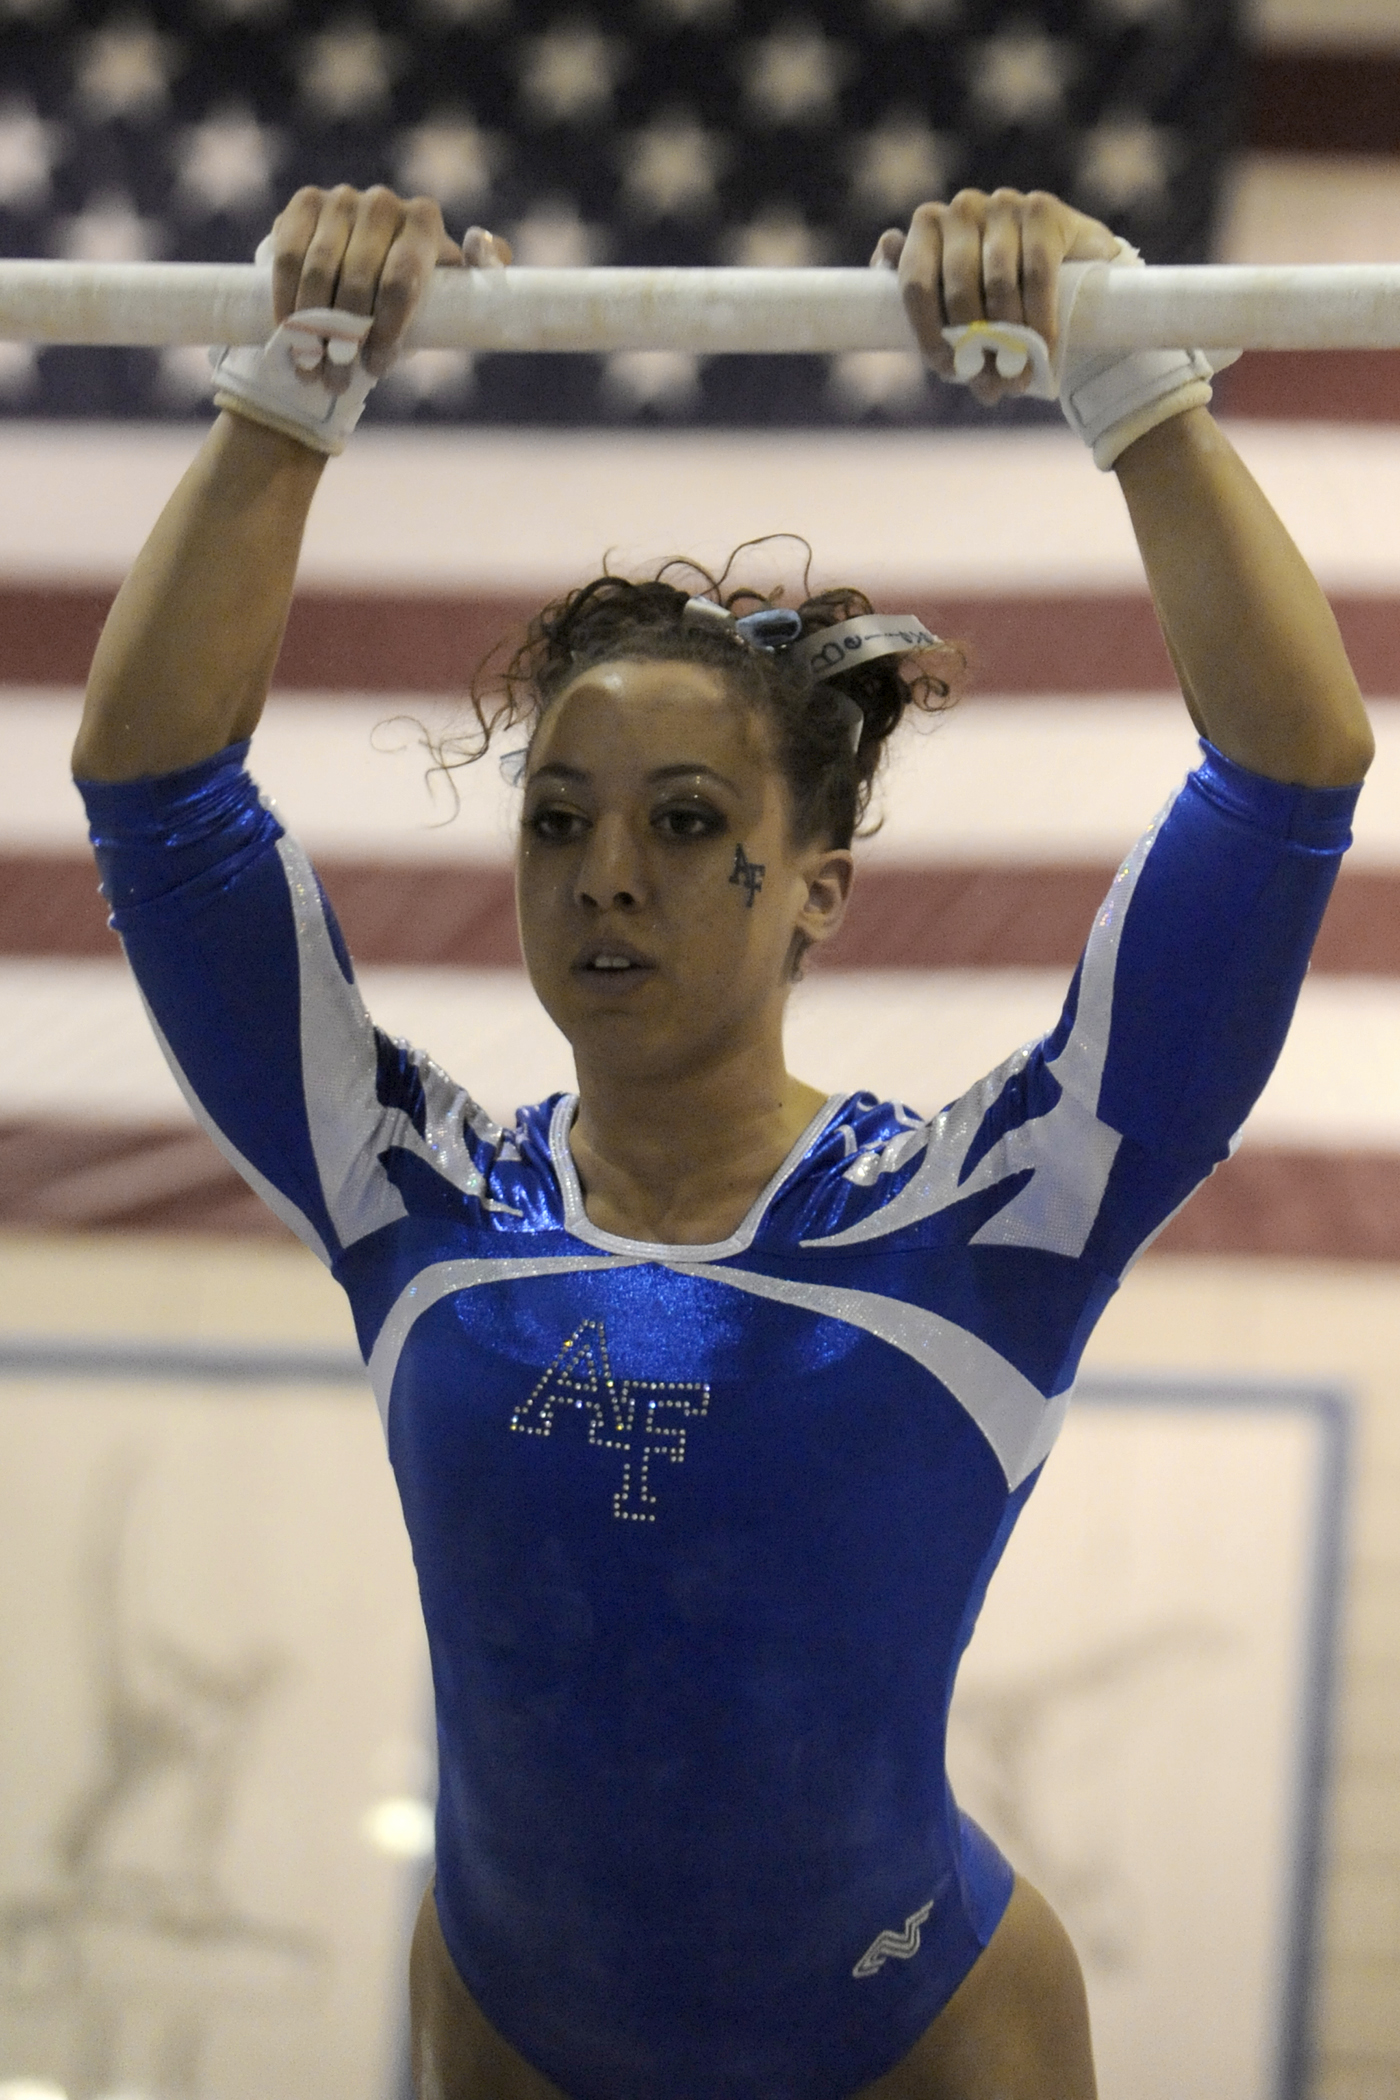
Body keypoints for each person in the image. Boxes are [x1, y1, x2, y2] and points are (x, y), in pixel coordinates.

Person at [71, 182, 1372, 2100]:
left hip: (918, 2043)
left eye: (687, 822)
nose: (607, 878)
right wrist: (292, 388)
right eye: (557, 822)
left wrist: (1136, 392)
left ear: (818, 889)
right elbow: (150, 788)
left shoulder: (988, 1213)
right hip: (512, 2028)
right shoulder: (411, 1194)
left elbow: (1290, 773)